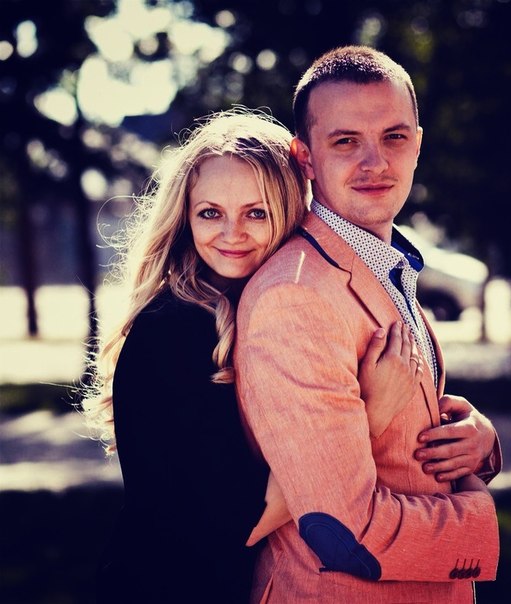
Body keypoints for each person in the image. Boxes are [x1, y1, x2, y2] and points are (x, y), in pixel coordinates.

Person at [81, 108, 426, 603]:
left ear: (288, 210)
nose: (232, 233)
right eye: (210, 213)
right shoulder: (176, 329)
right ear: (185, 217)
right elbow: (241, 519)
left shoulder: (264, 306)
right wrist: (370, 413)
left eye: (256, 213)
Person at [234, 46, 502, 602]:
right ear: (305, 158)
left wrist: (476, 446)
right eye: (346, 141)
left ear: (418, 145)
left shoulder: (380, 263)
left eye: (394, 137)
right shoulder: (295, 295)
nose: (375, 162)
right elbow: (342, 531)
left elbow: (404, 440)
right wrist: (479, 514)